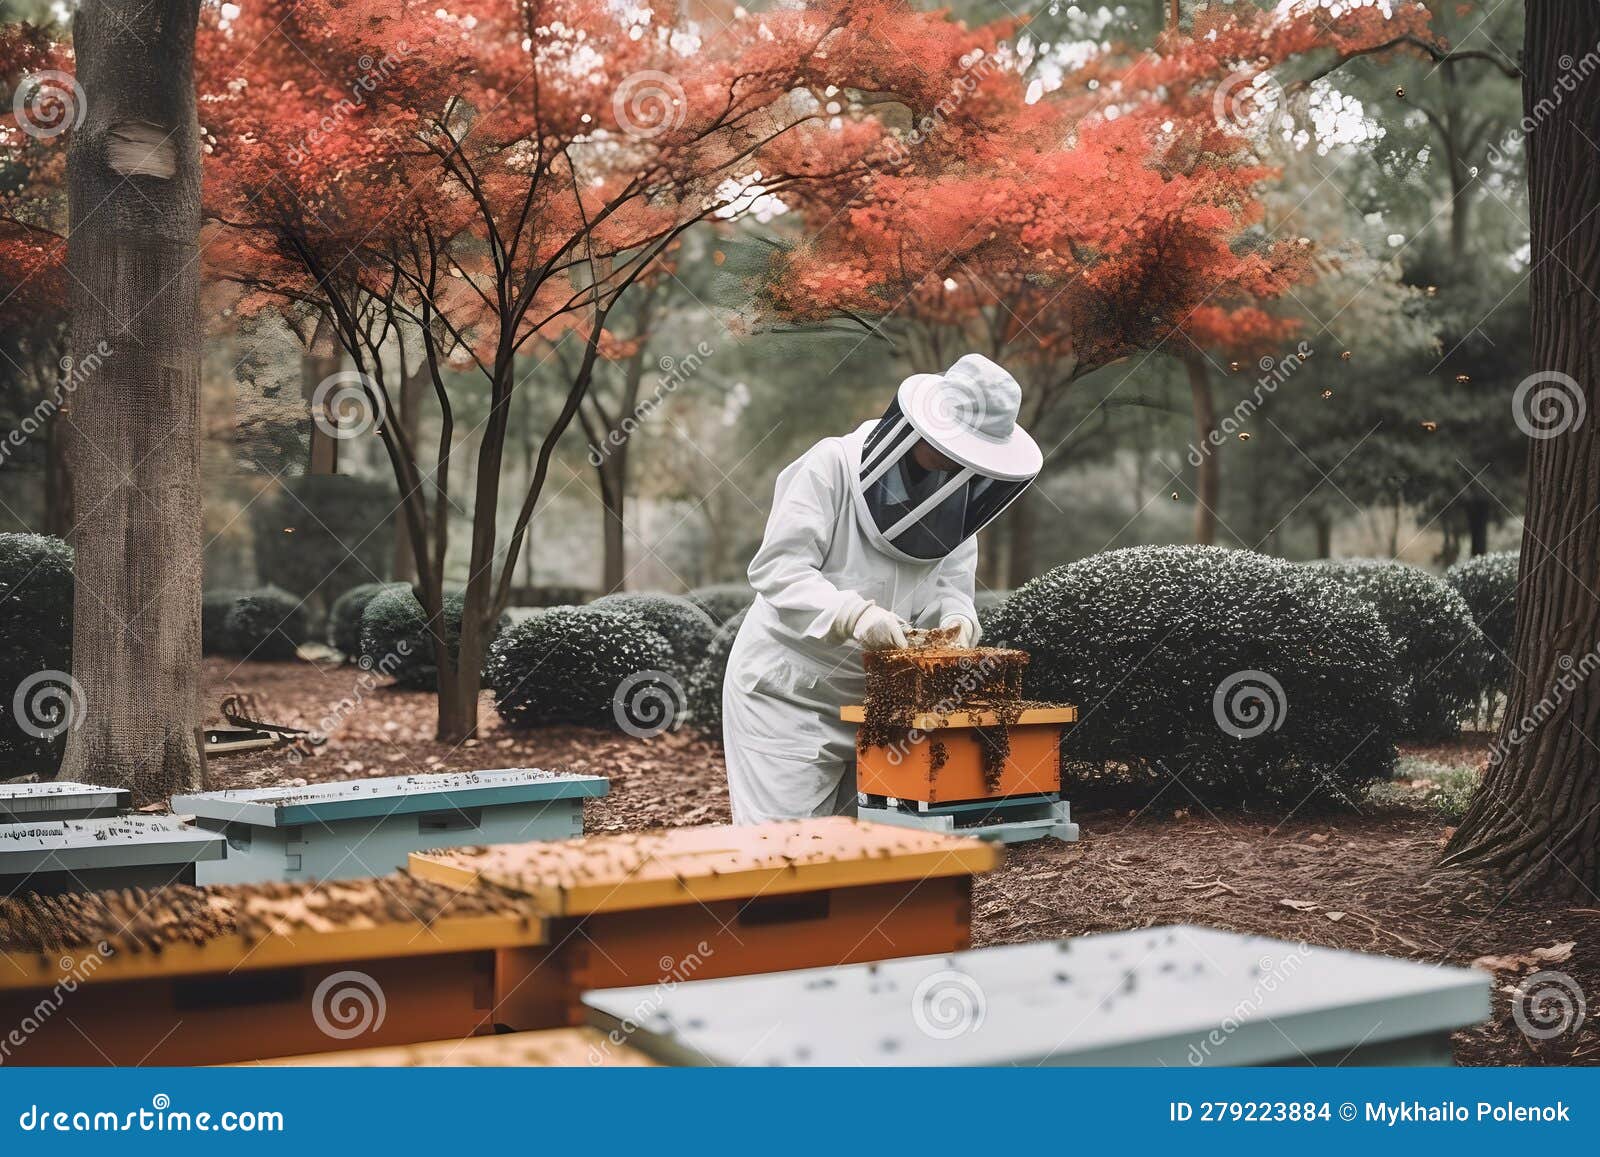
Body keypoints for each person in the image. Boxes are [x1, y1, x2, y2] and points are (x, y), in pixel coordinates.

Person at [722, 353, 1043, 824]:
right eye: (955, 447)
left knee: (871, 859)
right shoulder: (830, 465)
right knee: (781, 858)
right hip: (786, 695)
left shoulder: (960, 506)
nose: (960, 464)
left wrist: (957, 620)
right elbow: (779, 568)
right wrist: (853, 615)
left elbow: (950, 587)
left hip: (882, 707)